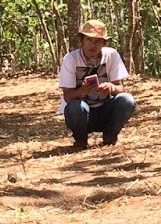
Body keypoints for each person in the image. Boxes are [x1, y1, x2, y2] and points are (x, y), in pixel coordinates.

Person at [58, 19, 137, 149]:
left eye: (97, 41)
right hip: (82, 114)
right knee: (75, 107)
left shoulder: (111, 55)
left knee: (127, 99)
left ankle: (110, 136)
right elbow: (67, 97)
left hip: (105, 110)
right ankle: (80, 140)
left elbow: (120, 88)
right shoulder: (71, 59)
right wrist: (82, 91)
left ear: (104, 43)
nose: (92, 45)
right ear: (82, 40)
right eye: (89, 40)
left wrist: (111, 88)